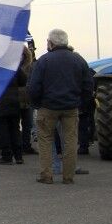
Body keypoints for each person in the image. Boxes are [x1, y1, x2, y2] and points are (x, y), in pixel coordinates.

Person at [27, 29, 93, 184]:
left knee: (45, 140)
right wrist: (81, 102)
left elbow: (34, 87)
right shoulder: (78, 60)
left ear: (51, 43)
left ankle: (47, 175)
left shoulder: (43, 61)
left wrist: (37, 103)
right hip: (71, 108)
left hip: (48, 107)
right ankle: (68, 176)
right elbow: (88, 85)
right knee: (70, 141)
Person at [0, 50, 30, 165]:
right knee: (15, 129)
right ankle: (19, 156)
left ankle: (6, 156)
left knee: (2, 131)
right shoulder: (13, 67)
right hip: (13, 102)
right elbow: (24, 80)